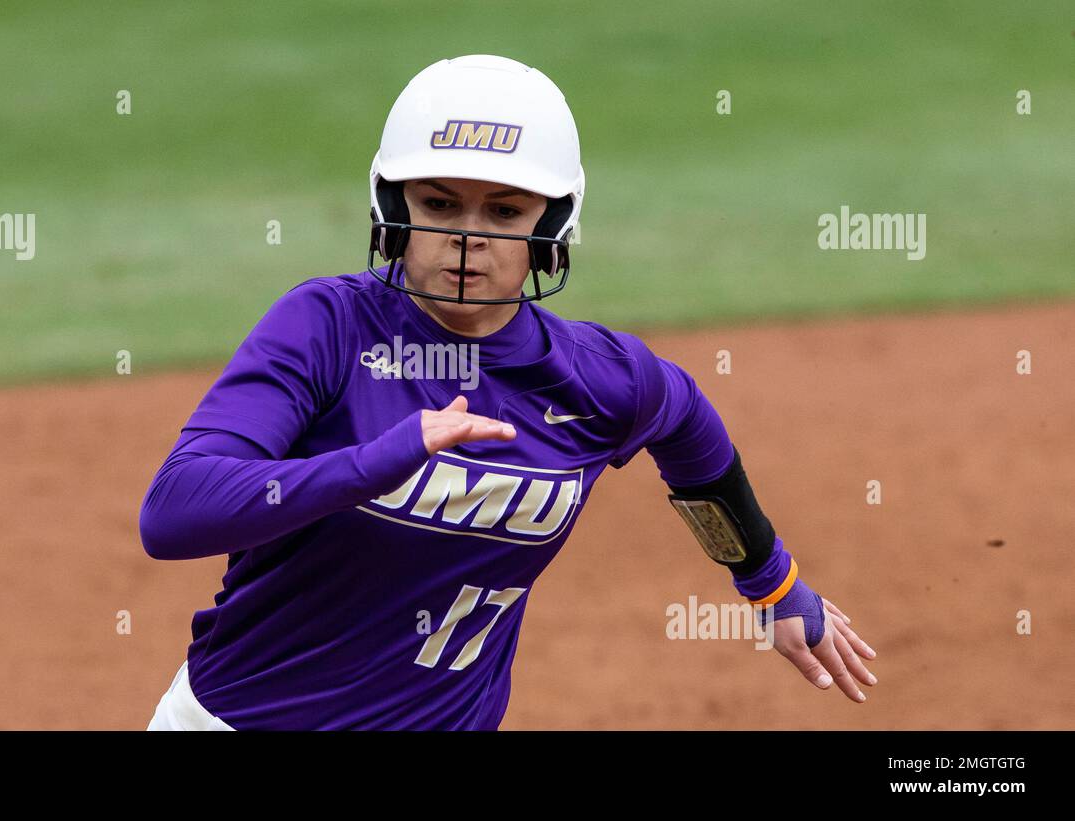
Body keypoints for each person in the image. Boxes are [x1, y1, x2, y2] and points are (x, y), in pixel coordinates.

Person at [140, 54, 877, 731]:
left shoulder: (598, 379)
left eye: (503, 211)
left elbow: (687, 425)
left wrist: (770, 581)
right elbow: (172, 512)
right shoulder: (327, 327)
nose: (467, 238)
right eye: (438, 202)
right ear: (392, 207)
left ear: (554, 223)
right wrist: (378, 461)